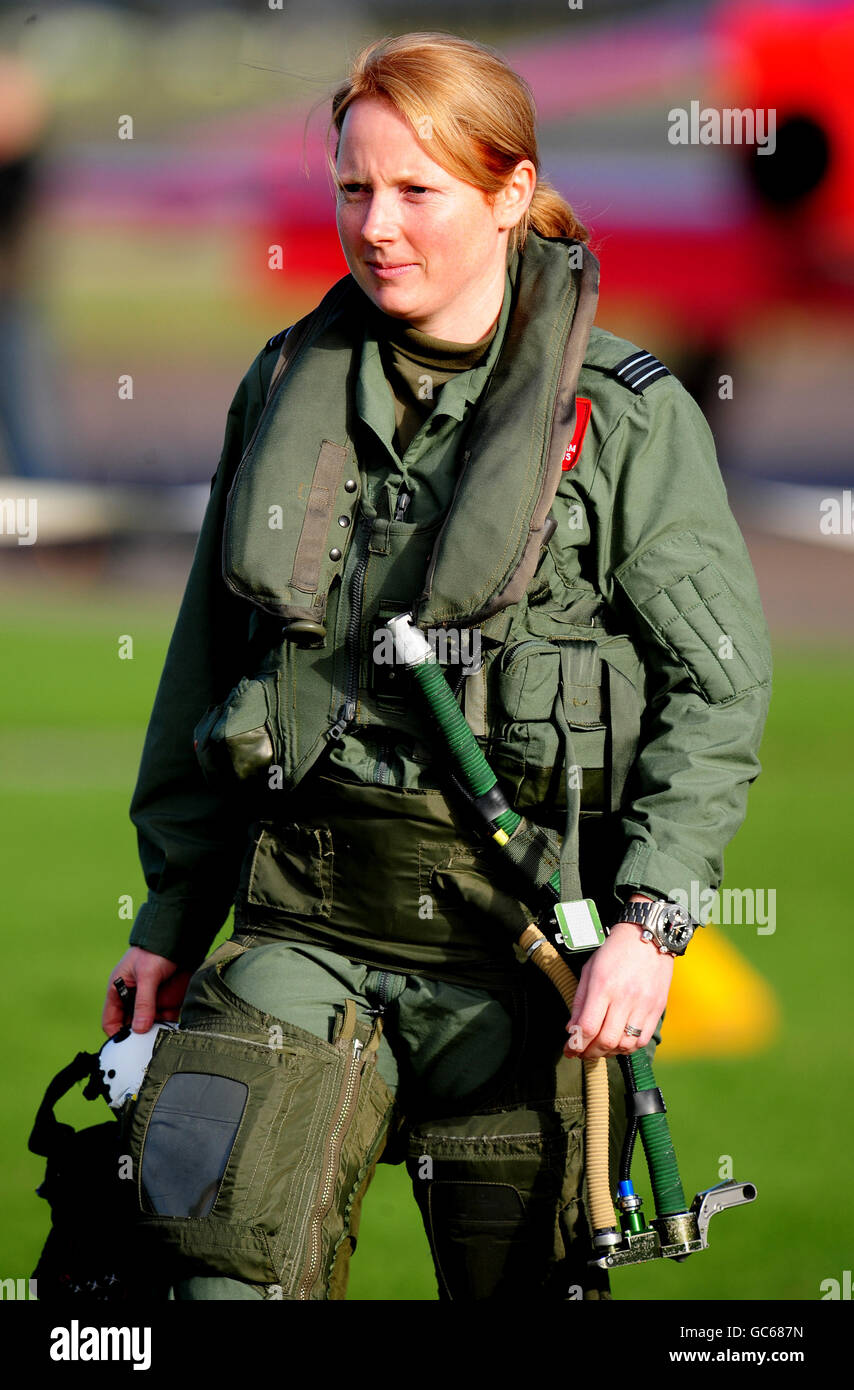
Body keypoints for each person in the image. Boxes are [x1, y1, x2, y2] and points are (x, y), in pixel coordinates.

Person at [101, 31, 772, 1302]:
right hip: (305, 921)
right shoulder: (287, 382)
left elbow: (719, 688)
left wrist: (651, 928)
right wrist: (171, 918)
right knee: (211, 1278)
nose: (376, 226)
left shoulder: (625, 419)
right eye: (354, 189)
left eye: (418, 191)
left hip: (522, 963)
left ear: (511, 193)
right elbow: (204, 661)